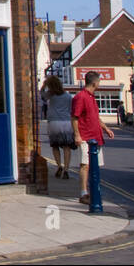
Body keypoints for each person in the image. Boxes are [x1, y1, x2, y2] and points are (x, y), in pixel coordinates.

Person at [71, 71, 114, 204]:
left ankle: (93, 192)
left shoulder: (91, 97)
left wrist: (106, 128)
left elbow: (95, 117)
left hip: (96, 138)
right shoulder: (81, 97)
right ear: (95, 82)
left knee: (95, 166)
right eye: (99, 81)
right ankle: (84, 193)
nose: (100, 83)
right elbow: (74, 117)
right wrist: (77, 135)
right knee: (85, 165)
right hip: (85, 137)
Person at [42, 74, 75, 179]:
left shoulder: (50, 96)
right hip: (66, 123)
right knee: (66, 147)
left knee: (55, 146)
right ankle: (66, 169)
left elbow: (41, 94)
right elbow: (71, 110)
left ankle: (59, 166)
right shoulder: (68, 96)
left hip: (53, 123)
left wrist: (43, 85)